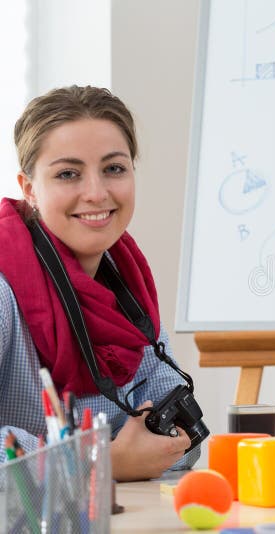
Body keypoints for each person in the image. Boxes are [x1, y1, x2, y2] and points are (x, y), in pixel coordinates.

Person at [0, 86, 199, 481]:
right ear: (29, 189)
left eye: (114, 169)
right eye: (68, 174)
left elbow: (182, 440)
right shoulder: (4, 287)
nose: (96, 193)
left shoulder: (128, 281)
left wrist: (141, 455)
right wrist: (95, 461)